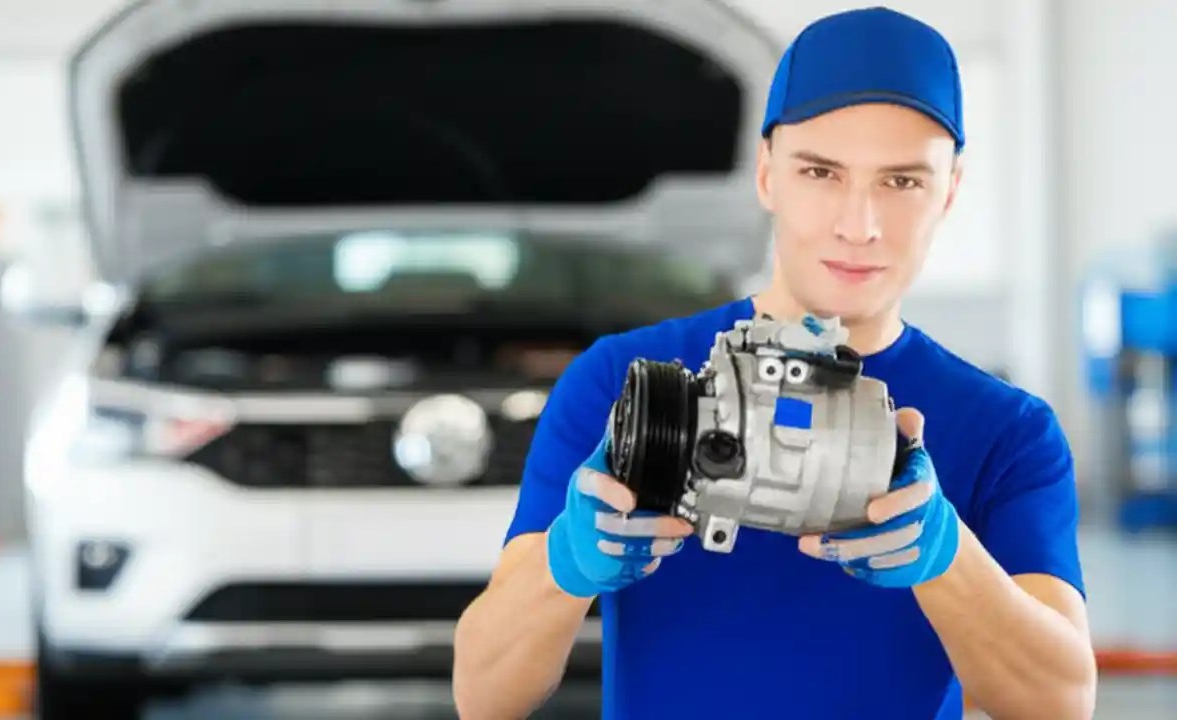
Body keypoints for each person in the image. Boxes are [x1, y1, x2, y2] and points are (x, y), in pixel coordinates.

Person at [452, 6, 1097, 719]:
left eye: (903, 181)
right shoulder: (626, 387)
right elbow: (484, 694)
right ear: (766, 174)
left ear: (949, 191)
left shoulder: (1006, 431)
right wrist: (563, 566)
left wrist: (947, 559)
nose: (859, 224)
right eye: (821, 171)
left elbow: (1060, 703)